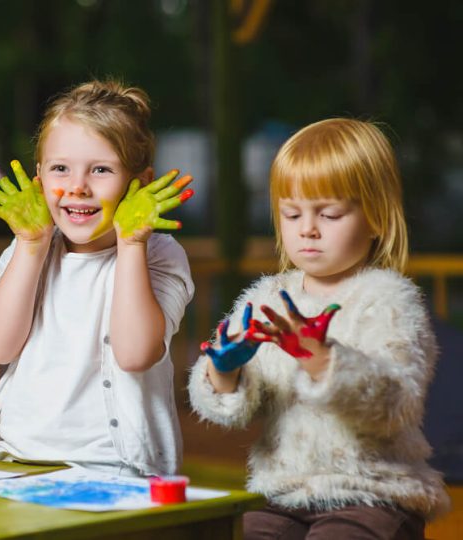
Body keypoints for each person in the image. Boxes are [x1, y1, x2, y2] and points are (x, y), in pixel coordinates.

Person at [188, 118, 450, 538]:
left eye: (328, 213)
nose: (307, 228)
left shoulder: (389, 301)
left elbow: (396, 405)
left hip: (374, 494)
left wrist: (325, 361)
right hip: (283, 493)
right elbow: (232, 406)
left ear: (377, 218)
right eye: (292, 213)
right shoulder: (266, 299)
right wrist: (223, 371)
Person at [0, 79, 196, 477]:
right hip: (15, 461)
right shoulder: (27, 247)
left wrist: (131, 244)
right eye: (60, 169)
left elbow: (134, 354)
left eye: (101, 170)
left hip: (117, 468)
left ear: (139, 183)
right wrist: (31, 245)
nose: (77, 187)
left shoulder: (161, 254)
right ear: (40, 178)